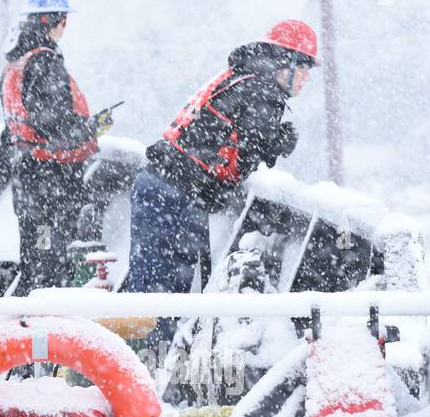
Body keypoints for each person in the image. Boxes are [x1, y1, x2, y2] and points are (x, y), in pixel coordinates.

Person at [126, 20, 317, 317]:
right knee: (163, 305)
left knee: (147, 298)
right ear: (285, 62)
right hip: (176, 197)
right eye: (304, 67)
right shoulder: (263, 93)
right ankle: (151, 360)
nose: (306, 78)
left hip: (158, 184)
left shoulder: (239, 78)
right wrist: (279, 142)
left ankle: (136, 356)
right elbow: (249, 153)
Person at [1, 0, 102, 297]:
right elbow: (53, 124)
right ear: (56, 21)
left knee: (34, 262)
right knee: (49, 264)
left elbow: (17, 126)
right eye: (64, 21)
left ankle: (28, 329)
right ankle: (42, 335)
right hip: (51, 185)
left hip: (30, 178)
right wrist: (92, 128)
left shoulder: (17, 62)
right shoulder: (45, 64)